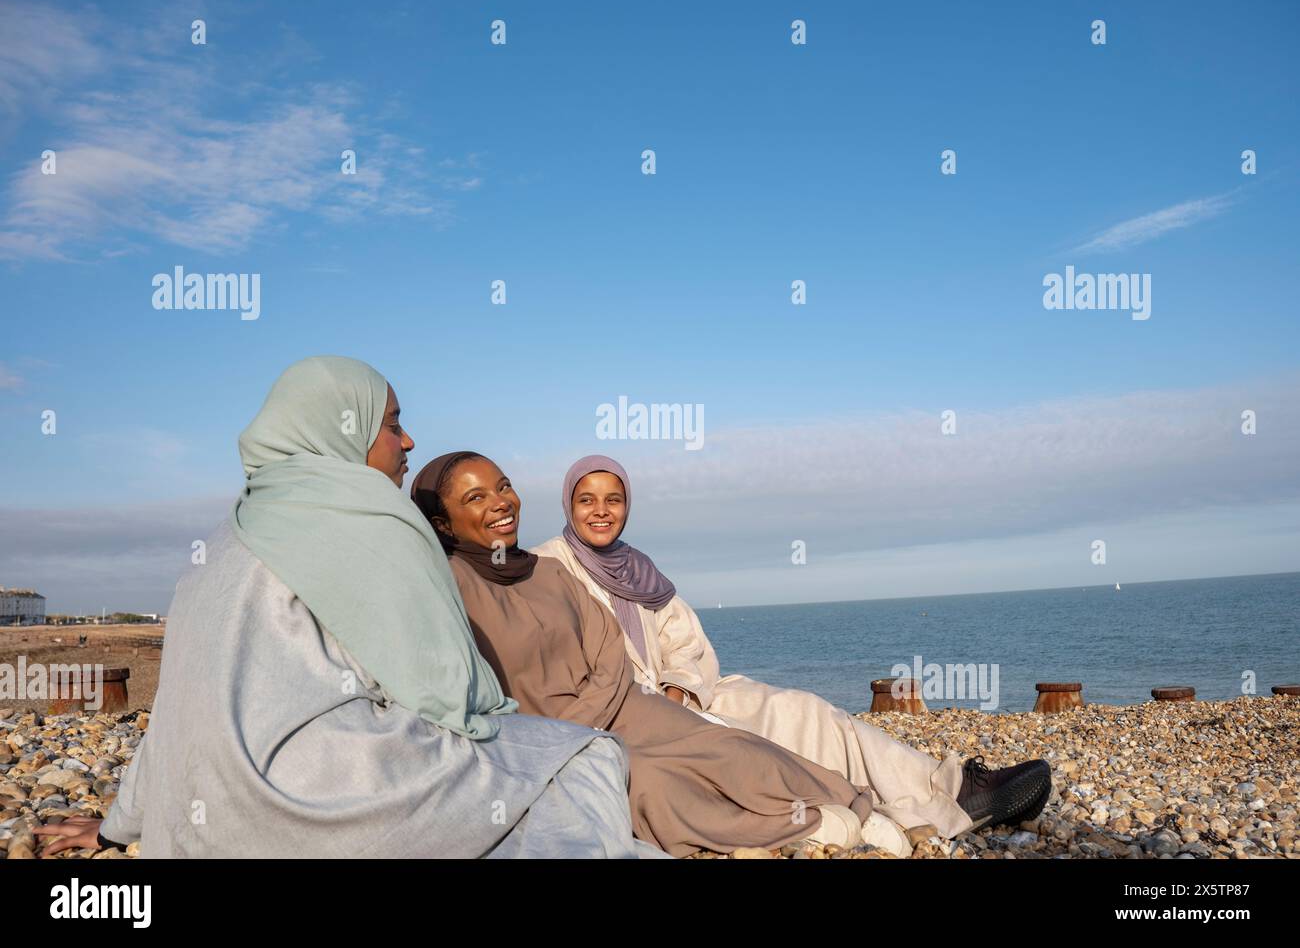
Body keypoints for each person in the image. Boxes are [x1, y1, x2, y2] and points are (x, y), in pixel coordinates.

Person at [36, 358, 654, 859]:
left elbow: (181, 707)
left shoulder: (233, 528)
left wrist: (124, 823)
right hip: (323, 812)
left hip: (208, 824)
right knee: (581, 753)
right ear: (345, 426)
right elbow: (447, 697)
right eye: (391, 423)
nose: (408, 439)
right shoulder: (371, 514)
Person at [414, 451, 960, 858]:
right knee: (654, 783)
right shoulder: (462, 585)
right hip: (560, 732)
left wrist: (678, 685)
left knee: (765, 730)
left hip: (644, 697)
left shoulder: (576, 572)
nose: (500, 502)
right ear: (442, 520)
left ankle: (898, 798)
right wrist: (578, 725)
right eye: (476, 497)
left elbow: (642, 642)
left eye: (503, 486)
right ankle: (806, 824)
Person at [531, 454, 1053, 838]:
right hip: (621, 716)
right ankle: (882, 814)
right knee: (756, 753)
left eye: (613, 499)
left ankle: (951, 787)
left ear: (627, 506)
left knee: (802, 711)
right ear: (568, 505)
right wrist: (648, 705)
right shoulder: (547, 568)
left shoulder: (639, 568)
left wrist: (681, 688)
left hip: (684, 696)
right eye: (587, 499)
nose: (601, 511)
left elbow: (684, 641)